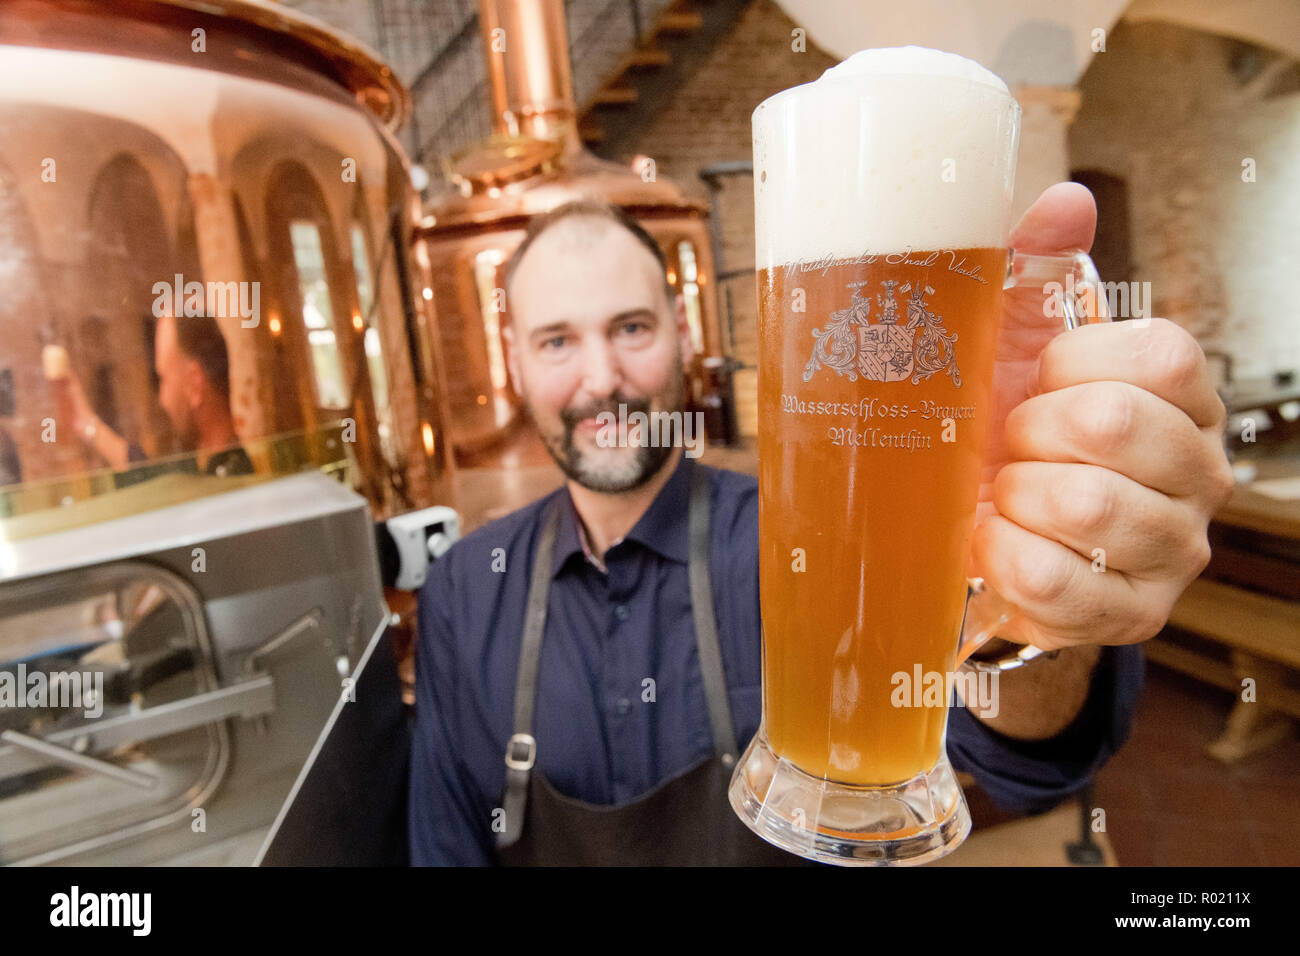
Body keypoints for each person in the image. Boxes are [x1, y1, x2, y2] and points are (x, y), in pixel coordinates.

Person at [408, 187, 1234, 865]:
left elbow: (1028, 757)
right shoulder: (464, 588)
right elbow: (445, 848)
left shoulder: (813, 540)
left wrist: (1028, 591)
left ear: (683, 336)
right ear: (514, 363)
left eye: (631, 329)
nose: (602, 380)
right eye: (556, 341)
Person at [56, 312, 253, 480]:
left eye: (164, 379)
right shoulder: (205, 465)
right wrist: (85, 422)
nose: (162, 399)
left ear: (195, 383)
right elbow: (142, 468)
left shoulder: (227, 482)